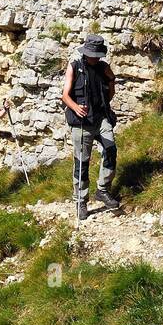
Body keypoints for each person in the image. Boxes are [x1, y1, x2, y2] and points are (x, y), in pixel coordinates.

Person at [62, 33, 121, 220]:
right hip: (82, 123)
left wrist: (111, 80)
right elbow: (65, 95)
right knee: (82, 162)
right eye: (91, 54)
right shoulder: (75, 67)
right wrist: (75, 107)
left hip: (101, 118)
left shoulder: (104, 68)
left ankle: (102, 189)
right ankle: (80, 200)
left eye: (97, 55)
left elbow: (110, 95)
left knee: (110, 150)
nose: (94, 58)